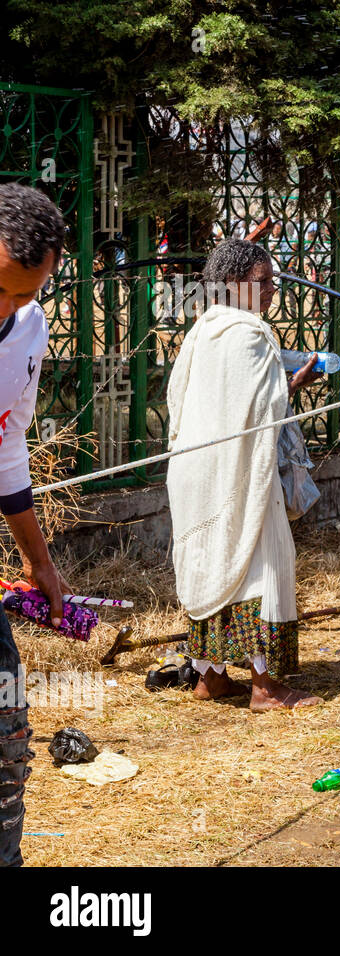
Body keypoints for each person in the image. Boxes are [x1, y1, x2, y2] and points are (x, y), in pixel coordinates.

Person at [167, 239, 324, 713]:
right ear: (235, 285)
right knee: (261, 562)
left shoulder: (203, 329)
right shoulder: (249, 333)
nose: (273, 289)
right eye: (263, 281)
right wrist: (296, 384)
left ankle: (211, 679)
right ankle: (265, 688)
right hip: (237, 473)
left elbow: (184, 402)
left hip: (197, 471)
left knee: (215, 562)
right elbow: (263, 411)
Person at [0, 184, 74, 868]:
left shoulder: (27, 327)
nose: (7, 307)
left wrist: (39, 561)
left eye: (24, 294)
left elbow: (7, 445)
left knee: (6, 724)